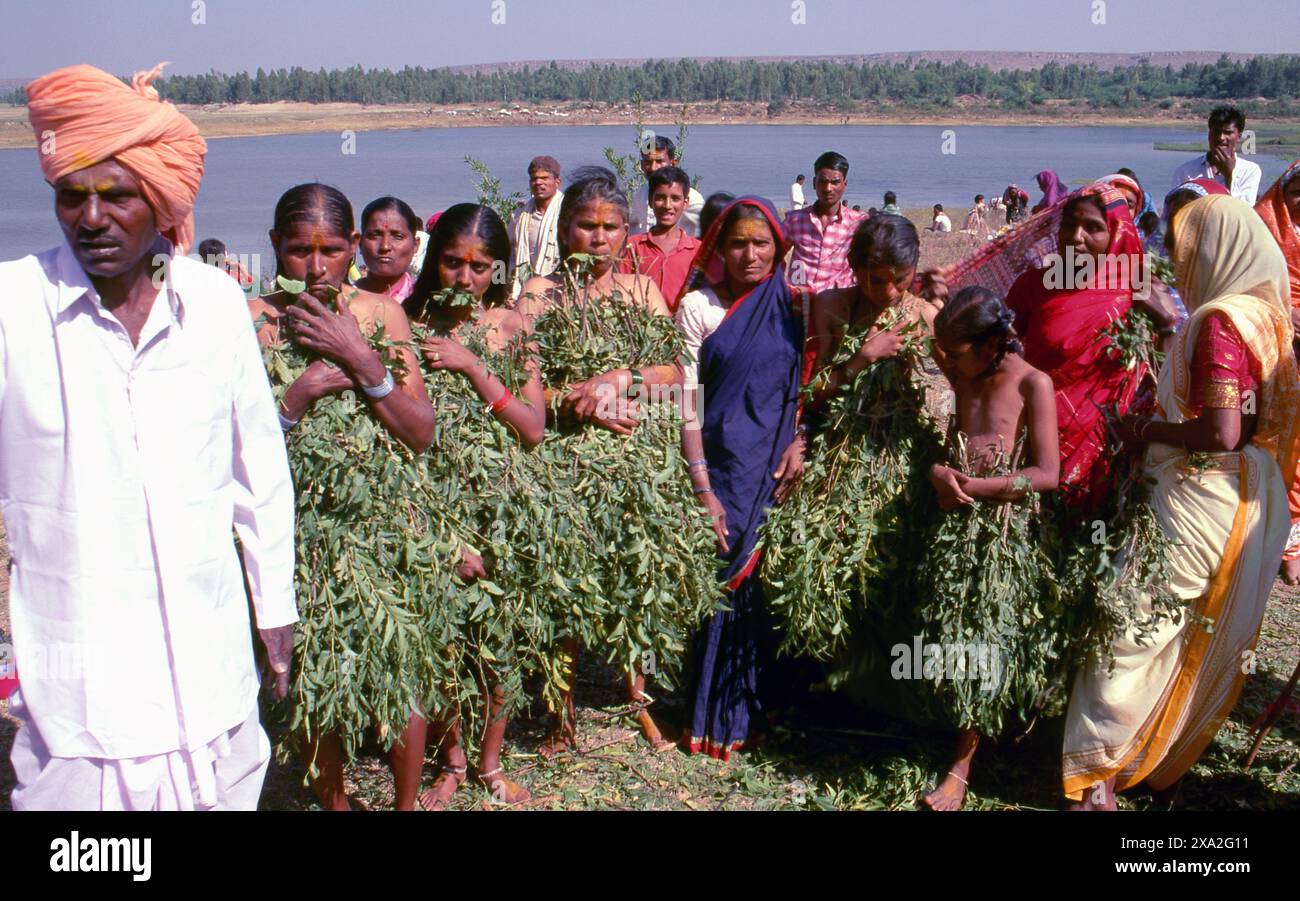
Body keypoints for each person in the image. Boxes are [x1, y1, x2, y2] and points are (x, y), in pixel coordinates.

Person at [2, 62, 295, 811]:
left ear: (161, 202)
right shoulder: (13, 310)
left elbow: (257, 466)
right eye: (72, 196)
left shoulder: (217, 305)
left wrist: (275, 609)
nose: (91, 218)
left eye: (116, 195)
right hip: (78, 689)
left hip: (208, 676)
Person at [1064, 195, 1299, 809]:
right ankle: (1152, 757)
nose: (1177, 259)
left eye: (1186, 248)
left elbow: (1221, 429)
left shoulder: (1220, 322)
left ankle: (1096, 777)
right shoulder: (1268, 317)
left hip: (1202, 488)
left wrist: (1142, 432)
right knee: (1190, 626)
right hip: (1250, 491)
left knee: (1129, 621)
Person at [249, 183, 436, 811]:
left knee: (399, 666)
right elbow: (231, 446)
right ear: (275, 246)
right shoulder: (254, 322)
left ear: (353, 248)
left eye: (330, 249)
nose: (314, 265)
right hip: (293, 526)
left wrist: (363, 362)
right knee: (309, 678)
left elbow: (420, 432)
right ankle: (335, 804)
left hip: (378, 523)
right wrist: (297, 398)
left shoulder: (382, 317)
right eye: (299, 249)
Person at [516, 166, 685, 753]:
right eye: (586, 225)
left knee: (635, 577)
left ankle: (638, 701)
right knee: (565, 585)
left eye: (611, 227)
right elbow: (519, 389)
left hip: (634, 457)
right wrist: (577, 403)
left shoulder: (641, 292)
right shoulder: (540, 297)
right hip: (564, 459)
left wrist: (621, 377)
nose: (599, 237)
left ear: (625, 231)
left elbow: (676, 375)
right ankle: (559, 713)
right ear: (565, 231)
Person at [402, 203, 546, 810]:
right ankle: (452, 760)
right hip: (433, 506)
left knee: (499, 637)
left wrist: (473, 367)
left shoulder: (512, 329)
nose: (464, 277)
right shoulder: (404, 325)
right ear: (433, 261)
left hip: (501, 507)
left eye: (480, 266)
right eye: (452, 263)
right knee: (441, 640)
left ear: (499, 269)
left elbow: (533, 427)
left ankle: (489, 762)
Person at [920, 286, 1060, 811]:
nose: (945, 364)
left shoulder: (1032, 383)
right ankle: (961, 730)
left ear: (993, 343)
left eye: (954, 355)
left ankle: (961, 766)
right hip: (958, 523)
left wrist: (975, 488)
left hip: (1003, 531)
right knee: (955, 629)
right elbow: (953, 440)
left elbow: (1047, 474)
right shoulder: (964, 373)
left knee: (986, 634)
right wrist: (939, 471)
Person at [676, 196, 805, 759]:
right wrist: (702, 485)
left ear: (779, 247)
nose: (750, 255)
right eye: (737, 243)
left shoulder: (795, 304)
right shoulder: (698, 308)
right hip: (720, 466)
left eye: (762, 243)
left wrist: (801, 441)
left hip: (774, 466)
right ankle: (709, 712)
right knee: (720, 581)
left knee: (763, 587)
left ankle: (759, 705)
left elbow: (809, 384)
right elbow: (684, 403)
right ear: (719, 247)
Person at [1254, 160, 1300, 582]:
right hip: (1277, 349)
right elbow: (1249, 286)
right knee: (1281, 437)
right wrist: (1286, 313)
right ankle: (1284, 546)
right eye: (1297, 190)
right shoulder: (1265, 234)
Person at [618, 165, 701, 311]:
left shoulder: (697, 251)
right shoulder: (633, 247)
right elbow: (622, 291)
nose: (668, 205)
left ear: (685, 203)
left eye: (675, 198)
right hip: (641, 328)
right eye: (660, 198)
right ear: (650, 201)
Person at [783, 151, 867, 294]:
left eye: (835, 182)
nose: (828, 188)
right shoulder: (795, 220)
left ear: (844, 184)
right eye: (823, 181)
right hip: (799, 304)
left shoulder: (857, 223)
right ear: (815, 183)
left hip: (838, 306)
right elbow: (774, 257)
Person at [1170, 106, 1262, 205]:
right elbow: (1174, 209)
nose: (1221, 137)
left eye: (1228, 132)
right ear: (1209, 134)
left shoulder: (1250, 170)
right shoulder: (1185, 171)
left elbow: (1245, 210)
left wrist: (1228, 175)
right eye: (1216, 132)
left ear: (1238, 136)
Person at [508, 155, 565, 299]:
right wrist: (505, 286)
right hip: (522, 292)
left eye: (544, 178)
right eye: (534, 179)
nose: (538, 182)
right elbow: (509, 256)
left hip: (558, 291)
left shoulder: (568, 214)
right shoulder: (519, 217)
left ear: (557, 182)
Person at [629, 135, 705, 236]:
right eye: (648, 162)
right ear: (642, 165)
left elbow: (711, 226)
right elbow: (633, 224)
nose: (653, 167)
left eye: (659, 161)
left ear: (673, 163)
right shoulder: (640, 195)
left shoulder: (690, 197)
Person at [354, 196, 421, 303]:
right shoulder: (341, 301)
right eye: (375, 236)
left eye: (397, 236)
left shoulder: (426, 304)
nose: (385, 246)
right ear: (360, 243)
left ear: (415, 246)